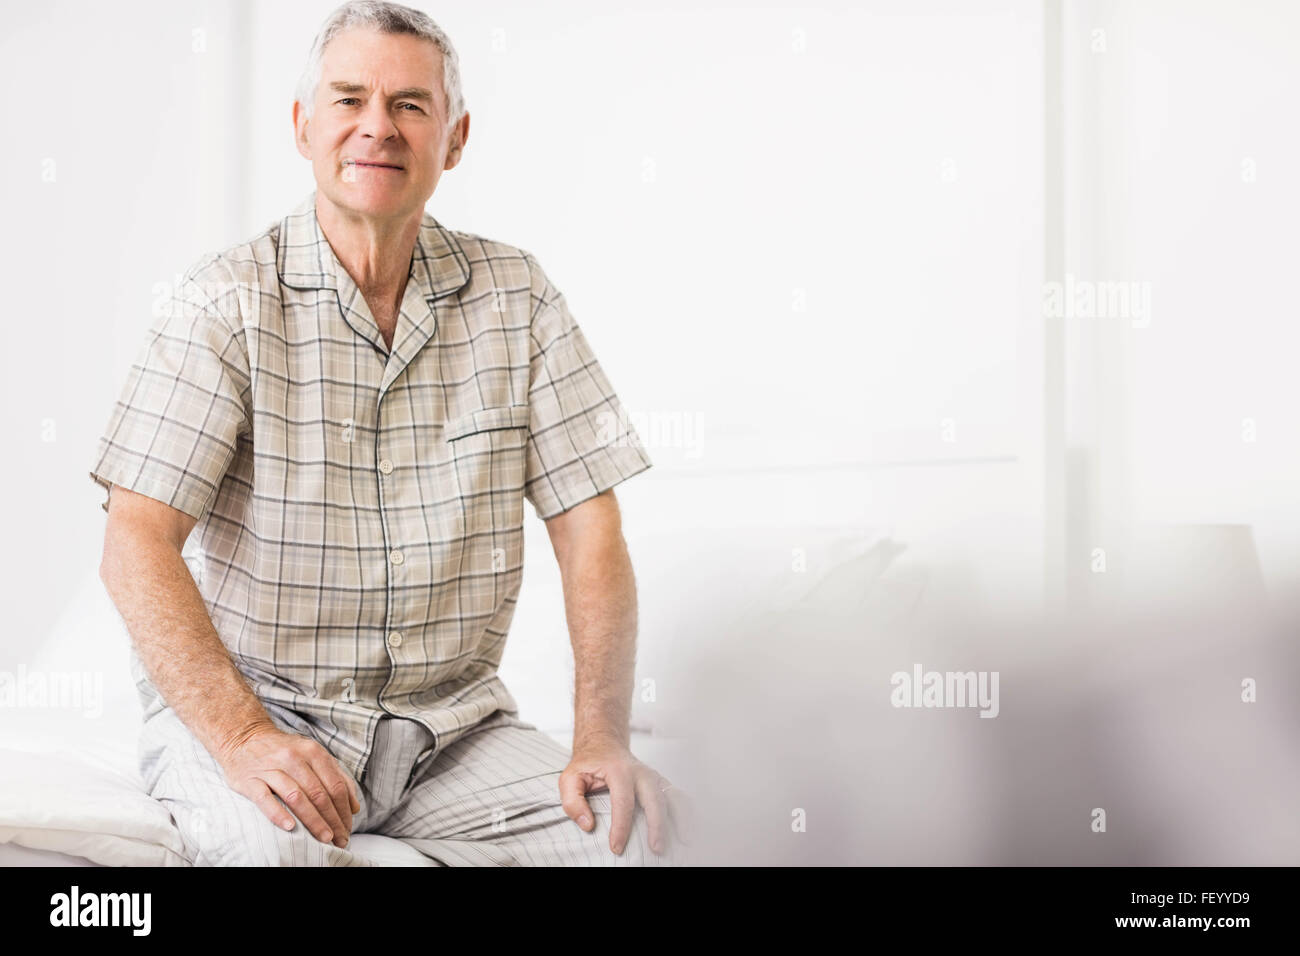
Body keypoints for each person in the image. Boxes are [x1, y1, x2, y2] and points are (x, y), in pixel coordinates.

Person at [89, 0, 690, 866]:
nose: (379, 127)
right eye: (348, 100)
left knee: (656, 842)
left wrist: (600, 737)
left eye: (411, 105)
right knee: (273, 859)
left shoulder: (519, 297)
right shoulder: (220, 302)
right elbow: (134, 542)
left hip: (453, 738)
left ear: (455, 138)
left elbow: (589, 528)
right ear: (302, 127)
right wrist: (243, 737)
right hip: (266, 715)